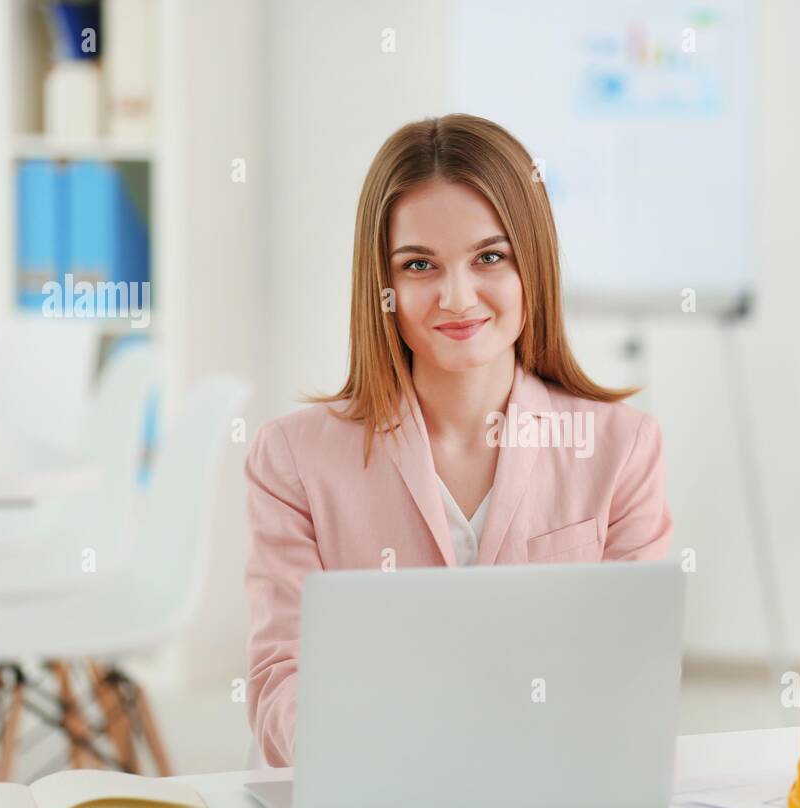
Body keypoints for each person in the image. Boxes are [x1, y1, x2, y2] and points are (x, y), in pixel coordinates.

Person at [244, 114, 673, 767]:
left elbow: (631, 675)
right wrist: (378, 759)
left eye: (489, 258)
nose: (457, 297)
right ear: (383, 286)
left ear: (532, 263)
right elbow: (281, 681)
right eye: (420, 265)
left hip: (551, 793)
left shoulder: (622, 448)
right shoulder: (293, 459)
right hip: (369, 797)